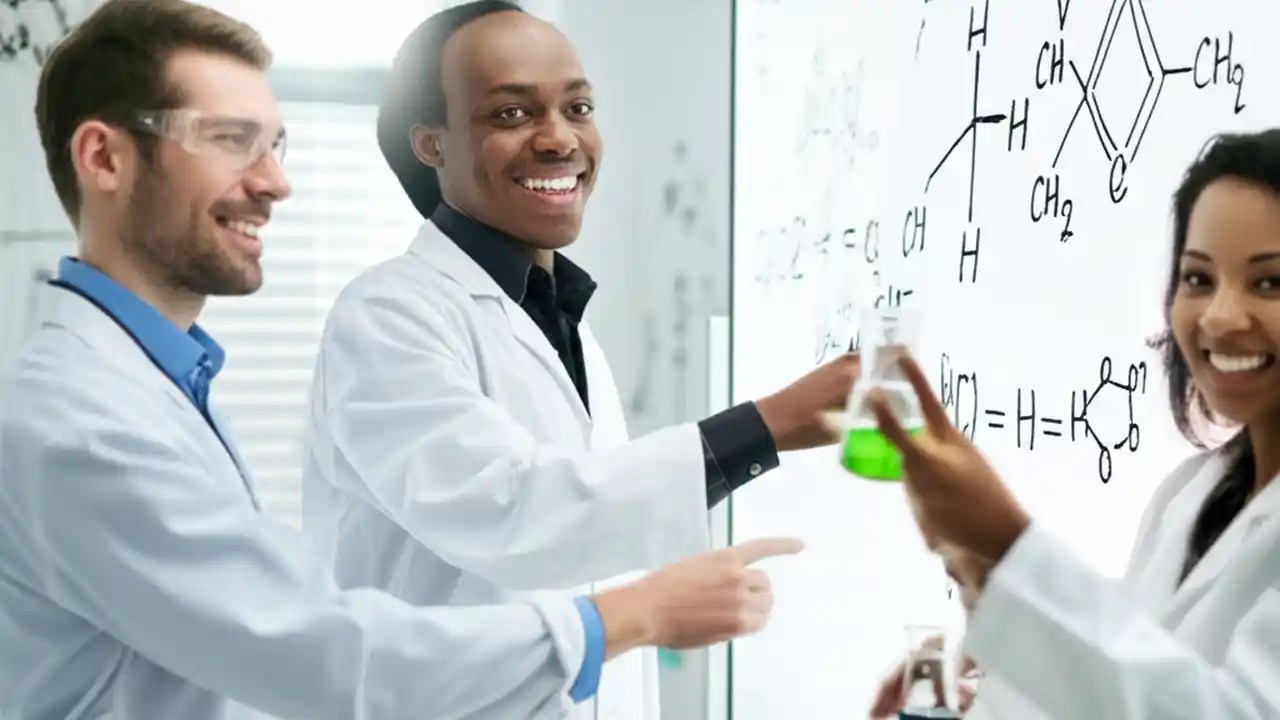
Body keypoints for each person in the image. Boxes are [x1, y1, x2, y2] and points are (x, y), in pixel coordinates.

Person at [0, 2, 805, 718]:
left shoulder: (159, 387)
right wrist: (638, 615)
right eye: (231, 141)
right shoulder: (88, 425)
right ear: (104, 159)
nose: (277, 183)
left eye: (275, 144)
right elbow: (323, 650)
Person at [299, 2, 858, 718]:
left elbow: (584, 532)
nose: (559, 139)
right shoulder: (386, 316)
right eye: (510, 114)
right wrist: (767, 426)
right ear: (432, 144)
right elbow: (511, 509)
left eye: (578, 107)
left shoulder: (560, 323)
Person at [866, 129, 1280, 718]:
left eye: (1270, 282)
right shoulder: (1194, 493)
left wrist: (1004, 546)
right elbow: (1127, 686)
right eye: (1198, 278)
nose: (1219, 317)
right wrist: (988, 690)